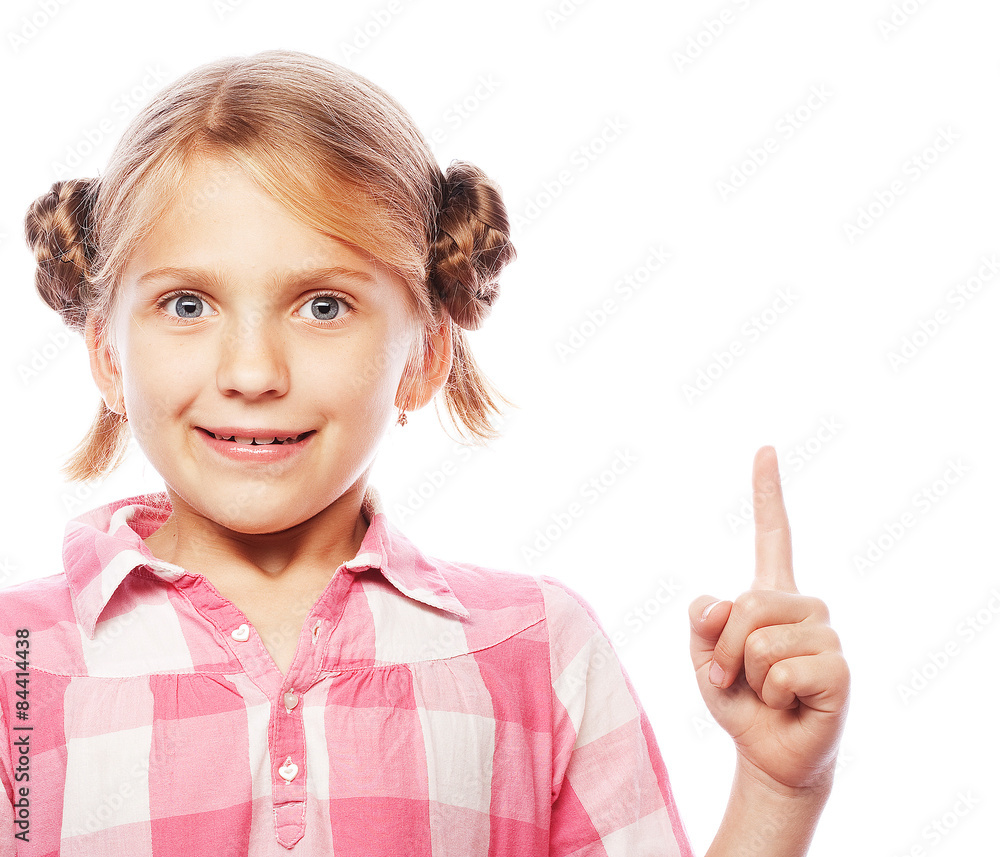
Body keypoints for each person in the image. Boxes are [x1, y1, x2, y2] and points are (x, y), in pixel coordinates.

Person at [1, 50, 849, 855]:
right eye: (187, 305)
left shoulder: (536, 649)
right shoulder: (19, 663)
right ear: (107, 354)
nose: (252, 371)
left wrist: (780, 788)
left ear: (425, 356)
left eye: (323, 306)